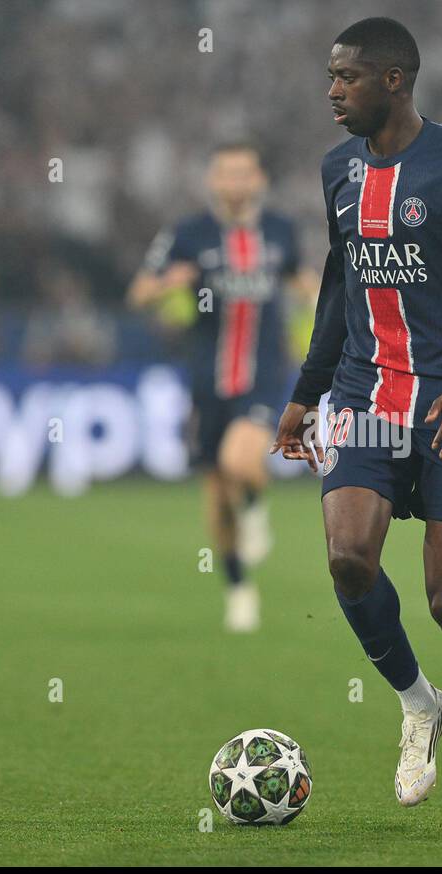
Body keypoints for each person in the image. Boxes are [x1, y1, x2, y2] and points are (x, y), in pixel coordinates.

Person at [270, 17, 442, 823]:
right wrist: (307, 392)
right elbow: (341, 285)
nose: (332, 90)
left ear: (395, 79)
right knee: (349, 558)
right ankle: (420, 704)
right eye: (329, 75)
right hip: (366, 396)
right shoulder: (338, 170)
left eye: (346, 76)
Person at [130, 142, 316, 632]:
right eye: (226, 174)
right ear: (213, 181)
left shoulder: (279, 231)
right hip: (206, 379)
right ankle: (238, 586)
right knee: (215, 494)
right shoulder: (187, 234)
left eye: (244, 173)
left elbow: (303, 281)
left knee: (241, 460)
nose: (235, 183)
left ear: (258, 180)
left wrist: (328, 301)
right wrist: (170, 283)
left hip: (264, 373)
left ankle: (256, 508)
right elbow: (140, 292)